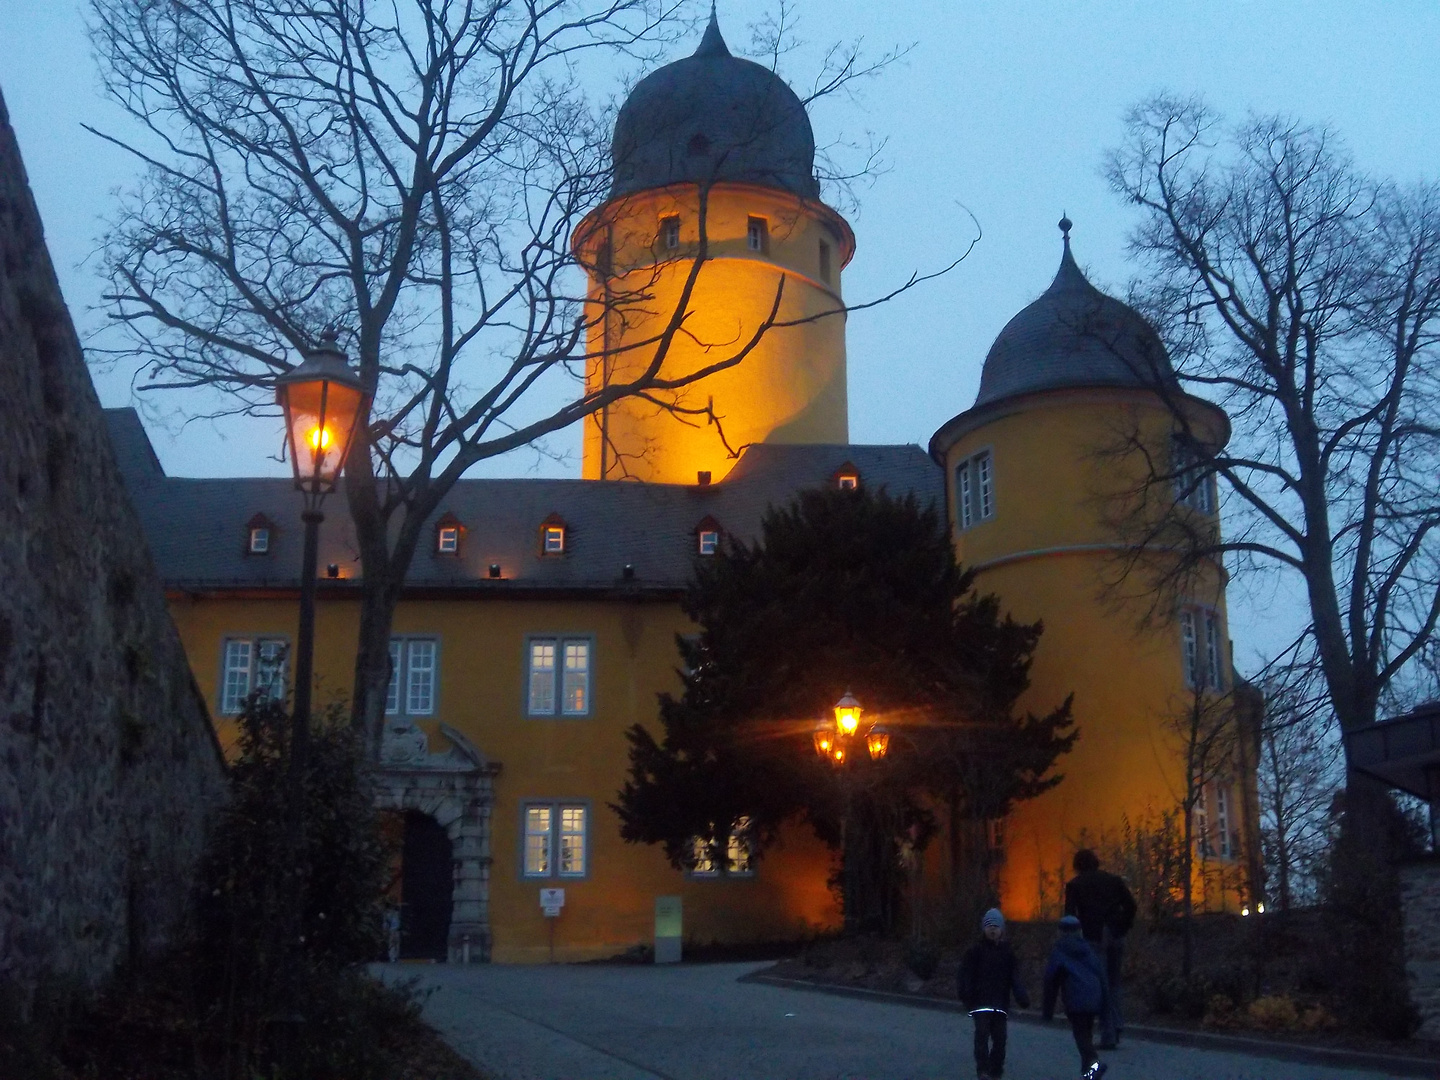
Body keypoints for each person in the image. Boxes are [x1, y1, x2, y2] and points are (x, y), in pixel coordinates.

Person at [1063, 849, 1136, 1048]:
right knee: (1114, 982)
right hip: (1115, 936)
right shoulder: (1114, 881)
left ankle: (1108, 1033)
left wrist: (1073, 942)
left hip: (1093, 939)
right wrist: (1120, 927)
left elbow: (1069, 917)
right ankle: (1117, 1023)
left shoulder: (1075, 885)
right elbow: (1131, 906)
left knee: (1101, 985)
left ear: (1077, 865)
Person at [956, 908, 1029, 1080]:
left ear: (1002, 929)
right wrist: (966, 994)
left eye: (996, 926)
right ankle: (983, 1070)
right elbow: (965, 974)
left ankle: (996, 1069)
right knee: (981, 1036)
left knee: (1000, 1039)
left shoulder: (1007, 953)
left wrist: (1022, 996)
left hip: (1000, 1004)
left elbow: (1014, 977)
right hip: (980, 1003)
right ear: (984, 928)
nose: (993, 929)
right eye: (989, 926)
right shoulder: (975, 951)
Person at [1042, 914, 1109, 1080]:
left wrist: (1047, 1011)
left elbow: (1051, 982)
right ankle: (1088, 1073)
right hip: (1094, 997)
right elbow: (1102, 976)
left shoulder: (1059, 951)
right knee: (1087, 1032)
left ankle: (1094, 1063)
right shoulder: (1089, 949)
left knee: (1081, 1036)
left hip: (1075, 999)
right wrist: (1106, 1004)